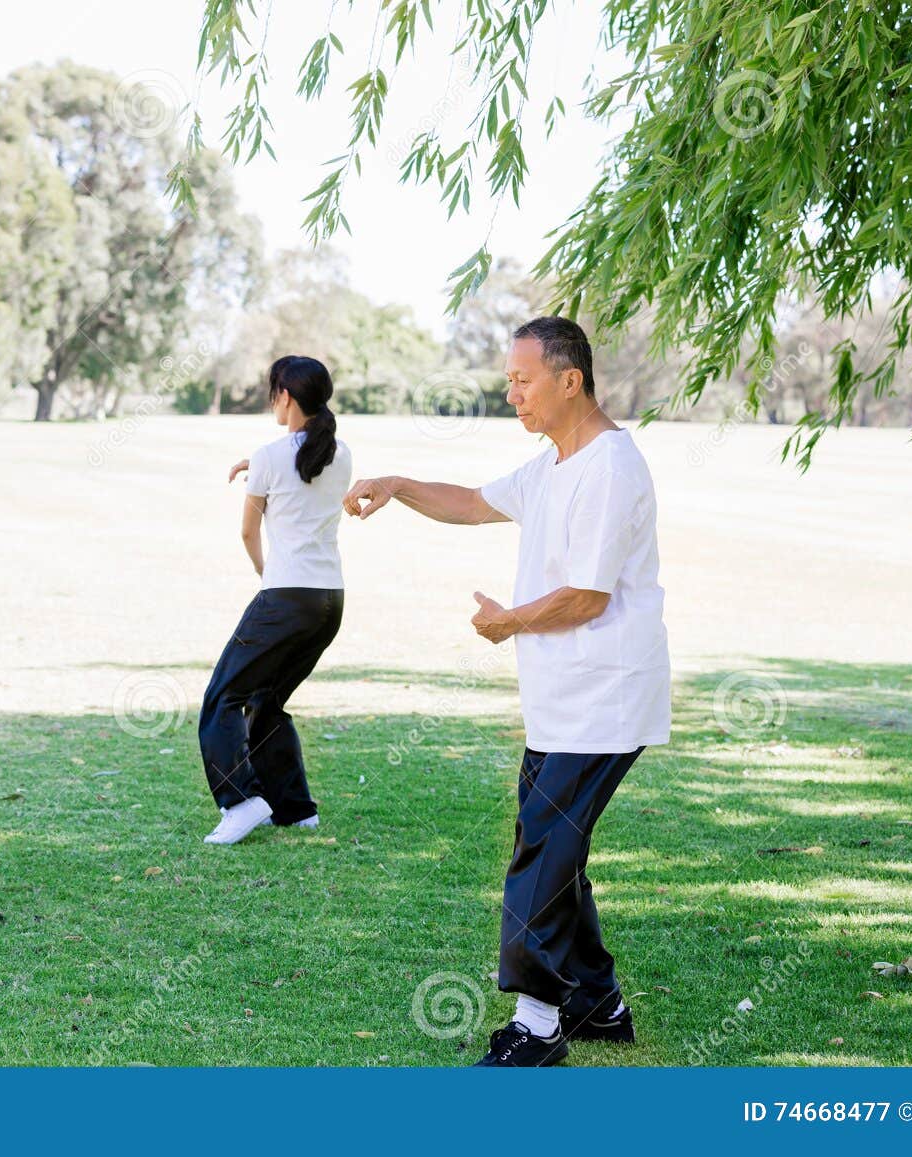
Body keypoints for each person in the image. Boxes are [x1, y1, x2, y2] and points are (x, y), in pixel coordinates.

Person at [343, 317, 669, 1066]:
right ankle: (599, 1004)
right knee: (551, 846)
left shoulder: (611, 467)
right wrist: (397, 484)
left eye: (522, 380)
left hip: (606, 698)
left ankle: (538, 1025)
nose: (511, 391)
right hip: (564, 701)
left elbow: (587, 596)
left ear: (569, 380)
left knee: (542, 853)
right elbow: (474, 501)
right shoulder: (553, 462)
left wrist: (507, 623)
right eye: (509, 379)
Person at [199, 356, 352, 846]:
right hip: (330, 601)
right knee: (267, 702)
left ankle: (241, 803)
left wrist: (269, 577)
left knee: (223, 698)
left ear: (284, 395)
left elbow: (248, 531)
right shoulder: (340, 452)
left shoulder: (268, 455)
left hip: (286, 595)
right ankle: (295, 809)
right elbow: (301, 470)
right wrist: (259, 468)